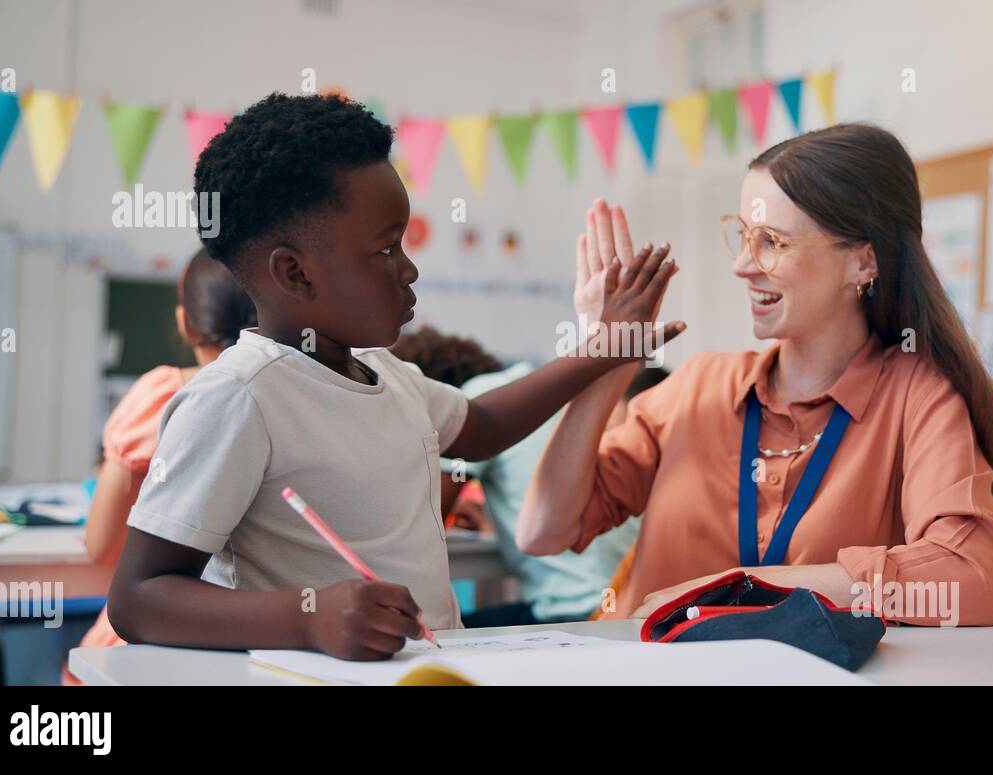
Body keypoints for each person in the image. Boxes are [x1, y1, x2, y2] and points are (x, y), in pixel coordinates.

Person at [106, 93, 682, 661]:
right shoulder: (238, 397)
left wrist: (601, 350)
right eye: (385, 249)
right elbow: (138, 600)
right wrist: (308, 619)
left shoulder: (382, 372)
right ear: (295, 273)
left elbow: (479, 425)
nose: (409, 268)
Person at [518, 124, 993, 626]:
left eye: (772, 241)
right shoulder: (698, 385)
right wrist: (606, 359)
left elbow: (966, 578)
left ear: (864, 262)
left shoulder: (918, 396)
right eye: (743, 236)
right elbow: (543, 532)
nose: (742, 265)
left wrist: (735, 591)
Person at [63, 249, 255, 685]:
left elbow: (98, 545)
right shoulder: (288, 392)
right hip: (254, 640)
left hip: (150, 631)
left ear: (186, 322)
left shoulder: (157, 395)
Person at [392, 326, 653, 626]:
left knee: (429, 632)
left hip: (576, 614)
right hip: (636, 604)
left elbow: (426, 519)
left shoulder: (475, 397)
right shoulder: (550, 392)